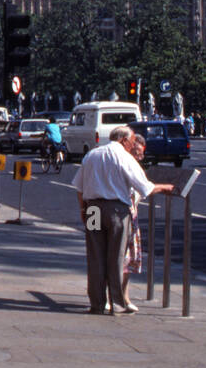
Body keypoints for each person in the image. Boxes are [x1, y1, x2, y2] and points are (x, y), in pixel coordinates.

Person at [72, 125, 174, 315]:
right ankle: (117, 303)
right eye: (132, 140)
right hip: (116, 209)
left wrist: (82, 209)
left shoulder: (92, 155)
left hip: (93, 207)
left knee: (95, 256)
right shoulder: (124, 157)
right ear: (124, 140)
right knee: (116, 256)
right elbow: (145, 187)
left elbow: (79, 186)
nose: (133, 144)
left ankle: (97, 303)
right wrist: (166, 187)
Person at [121, 134, 148, 305]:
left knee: (128, 256)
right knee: (109, 253)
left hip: (95, 211)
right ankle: (110, 295)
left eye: (142, 153)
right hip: (103, 212)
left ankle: (123, 295)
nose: (140, 157)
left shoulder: (133, 166)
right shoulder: (123, 163)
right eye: (137, 152)